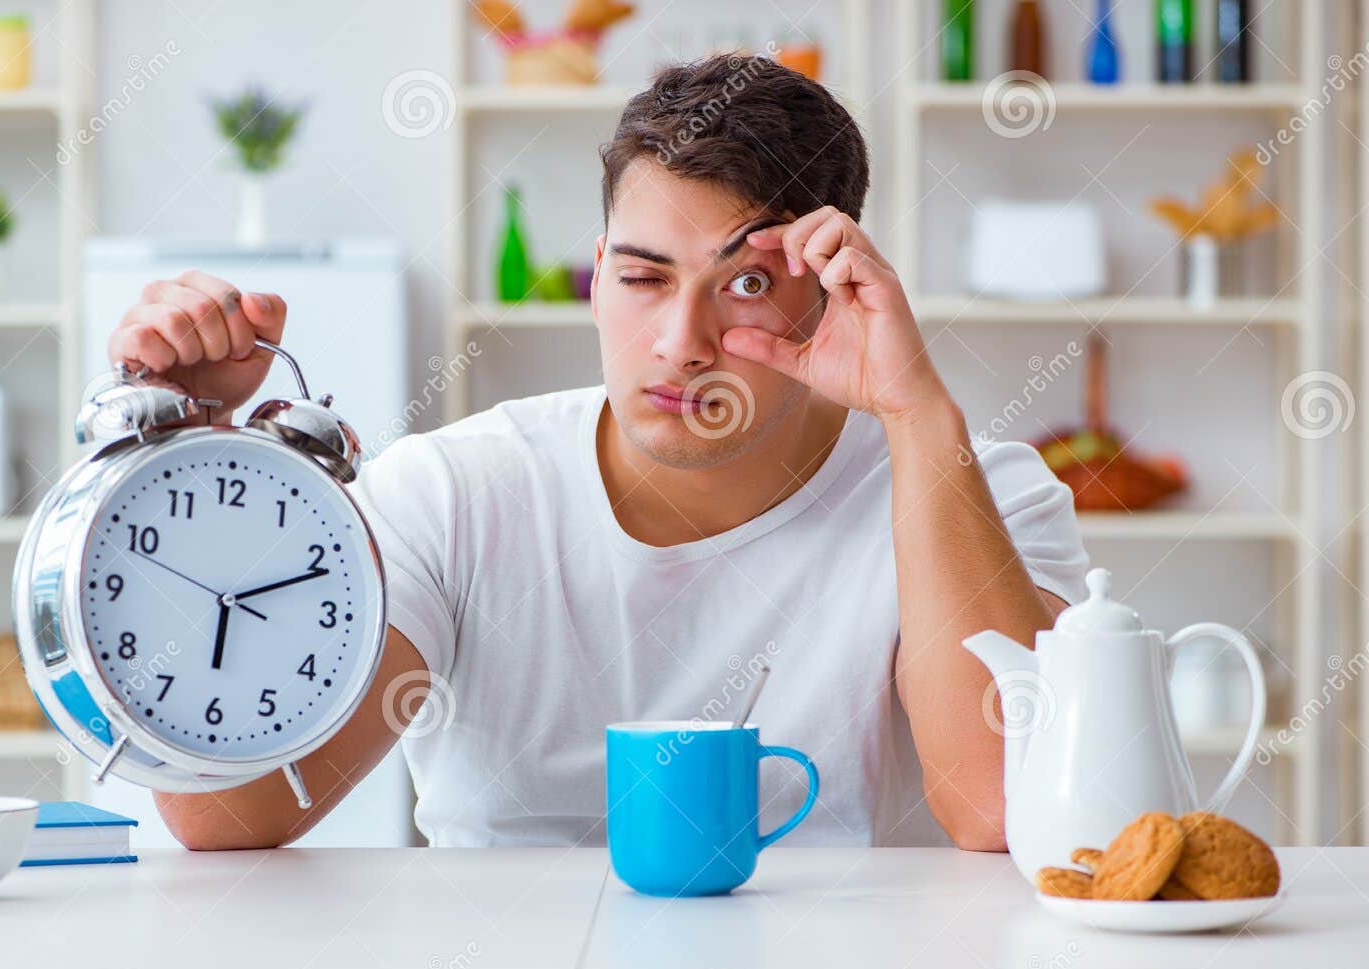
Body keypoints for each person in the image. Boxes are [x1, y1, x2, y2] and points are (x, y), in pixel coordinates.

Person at [104, 56, 1088, 853]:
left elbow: (1003, 809)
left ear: (831, 291)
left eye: (744, 287)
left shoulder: (982, 491)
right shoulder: (457, 492)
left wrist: (918, 416)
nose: (679, 341)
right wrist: (189, 462)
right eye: (642, 277)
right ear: (596, 275)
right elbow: (225, 816)